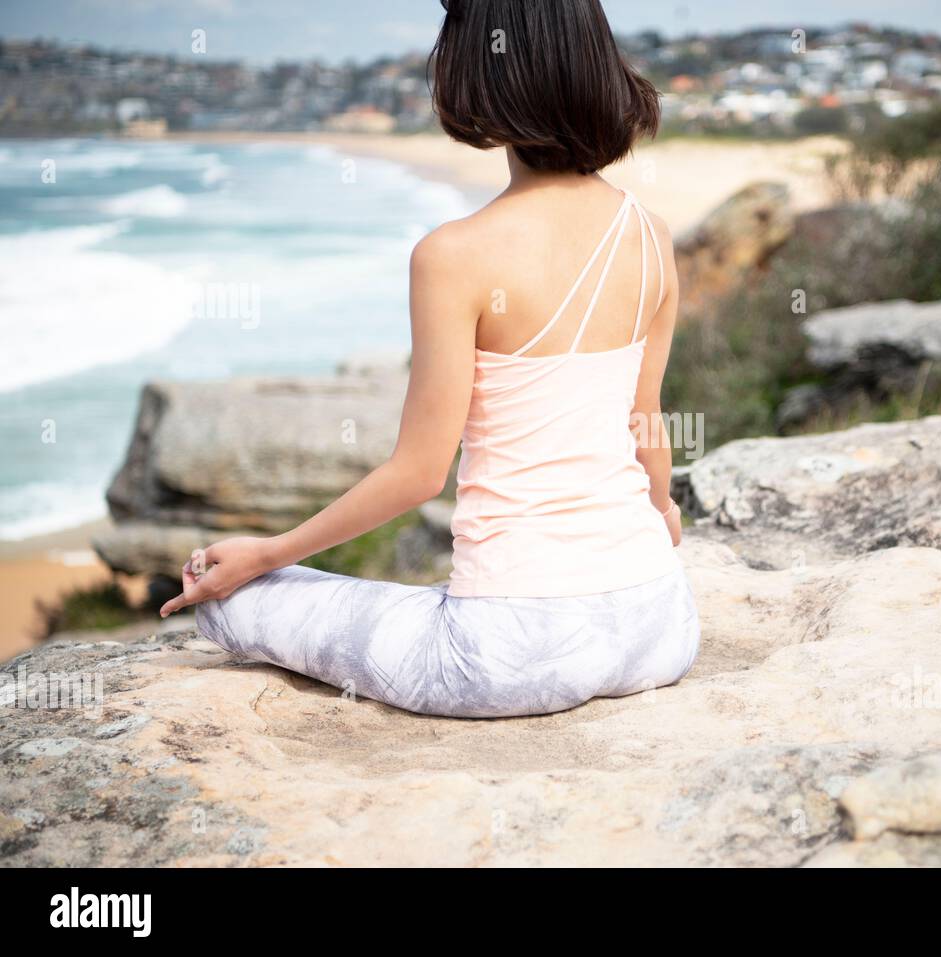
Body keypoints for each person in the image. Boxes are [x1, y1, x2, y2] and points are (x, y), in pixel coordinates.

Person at [159, 0, 699, 718]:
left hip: (512, 652)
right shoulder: (650, 233)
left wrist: (267, 553)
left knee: (231, 605)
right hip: (660, 626)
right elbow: (644, 418)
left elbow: (417, 474)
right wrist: (660, 510)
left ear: (481, 78)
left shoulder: (454, 255)